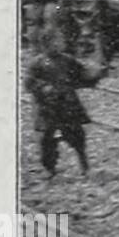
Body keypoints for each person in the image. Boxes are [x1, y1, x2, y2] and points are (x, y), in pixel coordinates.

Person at [25, 27, 102, 178]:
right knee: (47, 139)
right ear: (47, 43)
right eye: (58, 40)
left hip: (67, 105)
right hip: (47, 108)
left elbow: (81, 75)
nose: (62, 43)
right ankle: (49, 168)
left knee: (77, 136)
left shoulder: (67, 60)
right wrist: (44, 88)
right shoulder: (37, 63)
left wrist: (96, 74)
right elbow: (29, 83)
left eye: (61, 40)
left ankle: (85, 166)